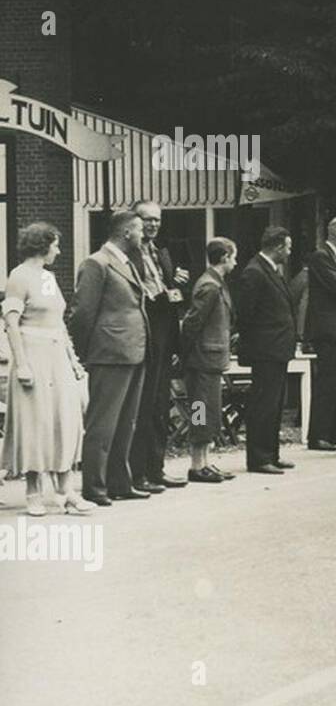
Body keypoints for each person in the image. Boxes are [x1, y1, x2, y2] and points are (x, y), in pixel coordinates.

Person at [2, 223, 89, 515]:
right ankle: (33, 492)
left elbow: (58, 322)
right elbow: (11, 323)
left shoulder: (48, 277)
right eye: (55, 245)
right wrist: (22, 364)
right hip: (32, 354)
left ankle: (67, 492)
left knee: (64, 418)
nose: (59, 250)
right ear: (42, 246)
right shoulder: (18, 276)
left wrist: (72, 358)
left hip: (56, 356)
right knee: (34, 422)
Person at [70, 210, 151, 506]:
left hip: (133, 351)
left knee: (125, 423)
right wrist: (83, 352)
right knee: (102, 423)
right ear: (126, 232)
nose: (144, 235)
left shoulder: (127, 262)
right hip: (110, 353)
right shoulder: (96, 263)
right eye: (140, 229)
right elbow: (82, 313)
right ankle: (95, 486)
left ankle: (119, 482)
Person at [127, 200, 190, 491]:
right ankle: (137, 473)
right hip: (146, 339)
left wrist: (178, 285)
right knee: (144, 407)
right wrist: (167, 293)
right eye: (146, 219)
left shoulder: (162, 252)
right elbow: (146, 297)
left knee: (160, 408)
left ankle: (156, 468)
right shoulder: (130, 255)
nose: (152, 225)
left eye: (156, 220)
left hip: (165, 340)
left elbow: (170, 294)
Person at [235, 226, 299, 474]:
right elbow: (246, 314)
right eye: (288, 247)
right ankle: (259, 457)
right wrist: (258, 343)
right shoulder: (255, 272)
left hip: (277, 348)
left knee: (274, 403)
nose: (290, 252)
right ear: (278, 246)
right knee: (264, 403)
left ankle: (271, 453)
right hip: (266, 350)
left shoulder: (271, 271)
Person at [180, 237, 238, 483]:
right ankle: (196, 464)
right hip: (203, 359)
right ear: (225, 257)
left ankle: (204, 461)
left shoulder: (215, 283)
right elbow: (193, 322)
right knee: (200, 411)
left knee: (209, 411)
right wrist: (184, 353)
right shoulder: (210, 286)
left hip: (210, 359)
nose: (236, 263)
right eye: (234, 257)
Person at [304, 216, 336, 451]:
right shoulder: (321, 257)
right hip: (327, 328)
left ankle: (335, 432)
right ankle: (319, 435)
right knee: (327, 382)